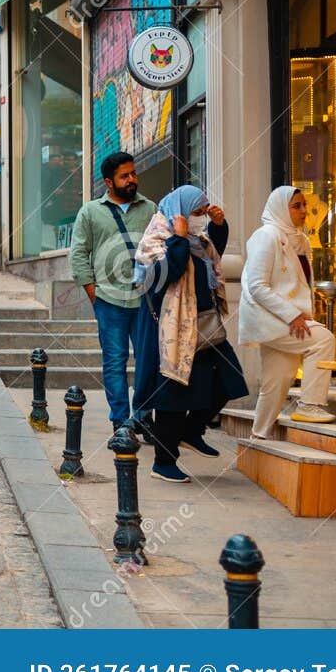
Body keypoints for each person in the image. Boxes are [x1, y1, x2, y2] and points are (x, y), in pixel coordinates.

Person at [132, 184, 250, 483]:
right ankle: (164, 462)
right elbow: (164, 275)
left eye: (203, 212)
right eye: (196, 212)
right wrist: (179, 238)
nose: (199, 218)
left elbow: (212, 255)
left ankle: (192, 431)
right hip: (171, 330)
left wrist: (218, 226)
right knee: (172, 396)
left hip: (205, 326)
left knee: (229, 380)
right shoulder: (157, 240)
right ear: (180, 211)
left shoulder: (198, 241)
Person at [239, 185, 336, 435]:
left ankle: (258, 438)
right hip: (271, 318)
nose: (304, 210)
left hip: (287, 318)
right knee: (324, 339)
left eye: (304, 205)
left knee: (277, 381)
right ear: (281, 209)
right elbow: (257, 286)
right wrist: (292, 315)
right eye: (296, 206)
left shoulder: (300, 239)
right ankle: (309, 405)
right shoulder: (266, 235)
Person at [67, 152, 156, 428]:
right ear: (108, 182)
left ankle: (143, 418)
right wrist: (93, 292)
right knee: (115, 361)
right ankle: (120, 421)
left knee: (147, 360)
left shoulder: (150, 209)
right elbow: (78, 253)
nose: (131, 179)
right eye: (124, 176)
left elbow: (160, 246)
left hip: (145, 300)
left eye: (133, 173)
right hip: (108, 299)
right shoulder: (91, 212)